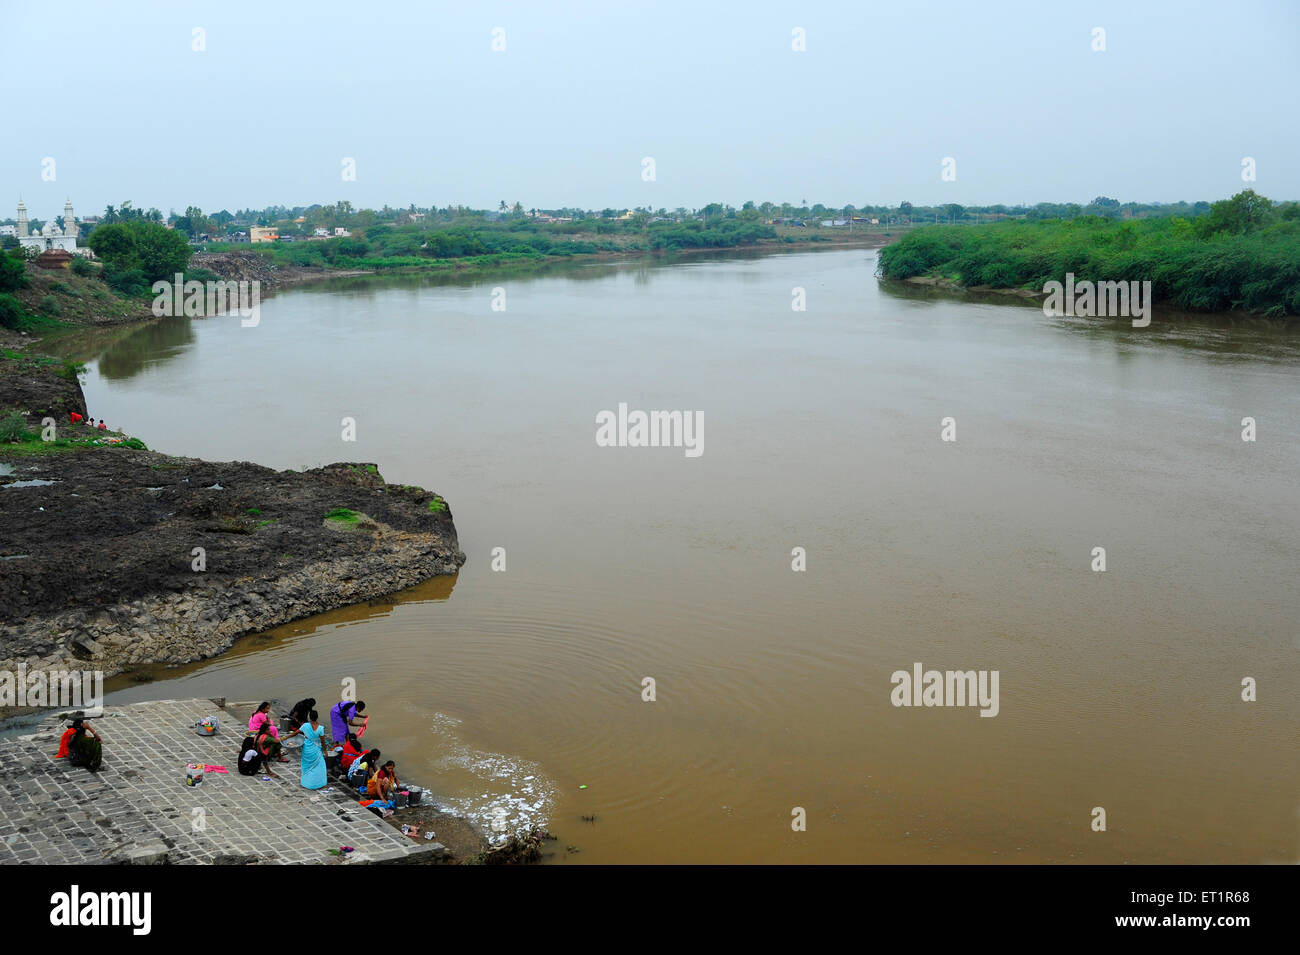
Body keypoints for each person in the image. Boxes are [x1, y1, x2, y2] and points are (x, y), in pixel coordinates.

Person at [282, 709, 327, 790]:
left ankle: (306, 783)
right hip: (316, 750)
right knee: (320, 766)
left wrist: (285, 737)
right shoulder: (320, 728)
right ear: (317, 717)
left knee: (306, 767)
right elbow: (323, 742)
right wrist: (325, 751)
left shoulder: (305, 726)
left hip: (307, 749)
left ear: (309, 717)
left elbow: (295, 733)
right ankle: (320, 784)